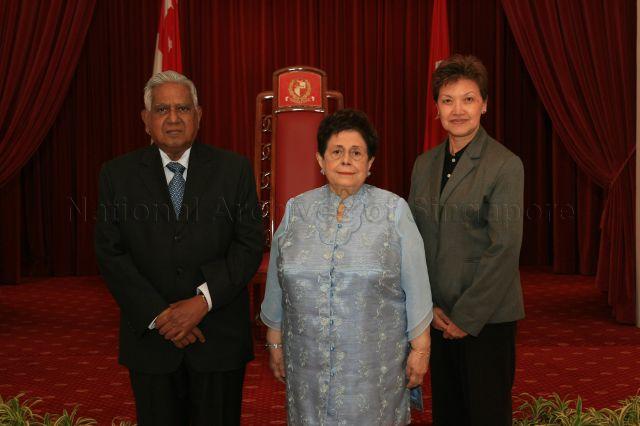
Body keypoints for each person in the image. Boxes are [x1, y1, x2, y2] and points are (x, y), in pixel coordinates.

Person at [94, 70, 263, 426]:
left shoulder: (234, 170)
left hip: (218, 338)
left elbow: (249, 244)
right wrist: (162, 316)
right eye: (162, 109)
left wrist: (201, 302)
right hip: (152, 340)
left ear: (198, 116)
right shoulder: (116, 175)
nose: (173, 119)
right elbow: (111, 253)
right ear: (146, 120)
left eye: (183, 108)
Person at [260, 109, 433, 425]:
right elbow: (277, 281)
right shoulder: (297, 210)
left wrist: (420, 349)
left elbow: (417, 284)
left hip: (372, 372)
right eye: (336, 152)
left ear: (370, 164)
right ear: (320, 160)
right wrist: (275, 340)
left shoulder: (394, 211)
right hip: (306, 364)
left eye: (357, 153)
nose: (346, 160)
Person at [408, 54, 525, 425]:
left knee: (486, 416)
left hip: (486, 320)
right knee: (450, 414)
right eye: (447, 100)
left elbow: (504, 247)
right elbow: (415, 242)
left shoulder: (505, 165)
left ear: (485, 105)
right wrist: (429, 310)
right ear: (436, 108)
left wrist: (466, 316)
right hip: (439, 319)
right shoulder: (423, 164)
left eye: (468, 99)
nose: (458, 110)